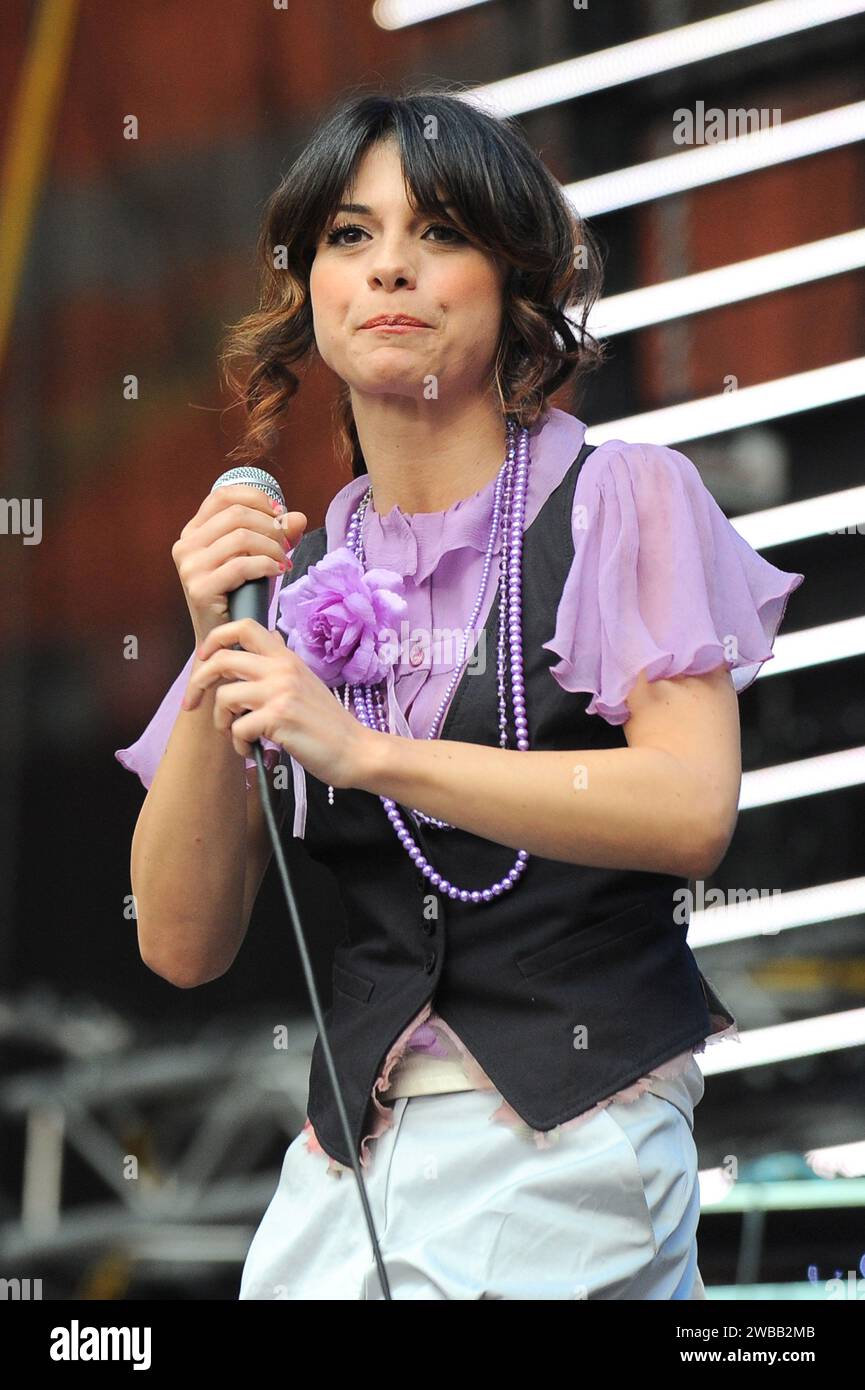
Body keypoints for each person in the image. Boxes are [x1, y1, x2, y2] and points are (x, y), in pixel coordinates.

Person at [116, 85, 805, 1300]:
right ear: (307, 291)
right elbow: (177, 941)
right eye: (349, 235)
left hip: (574, 1133)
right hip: (352, 1159)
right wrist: (208, 652)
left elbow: (690, 807)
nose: (389, 269)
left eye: (438, 234)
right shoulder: (293, 577)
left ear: (515, 286)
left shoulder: (616, 495)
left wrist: (370, 754)